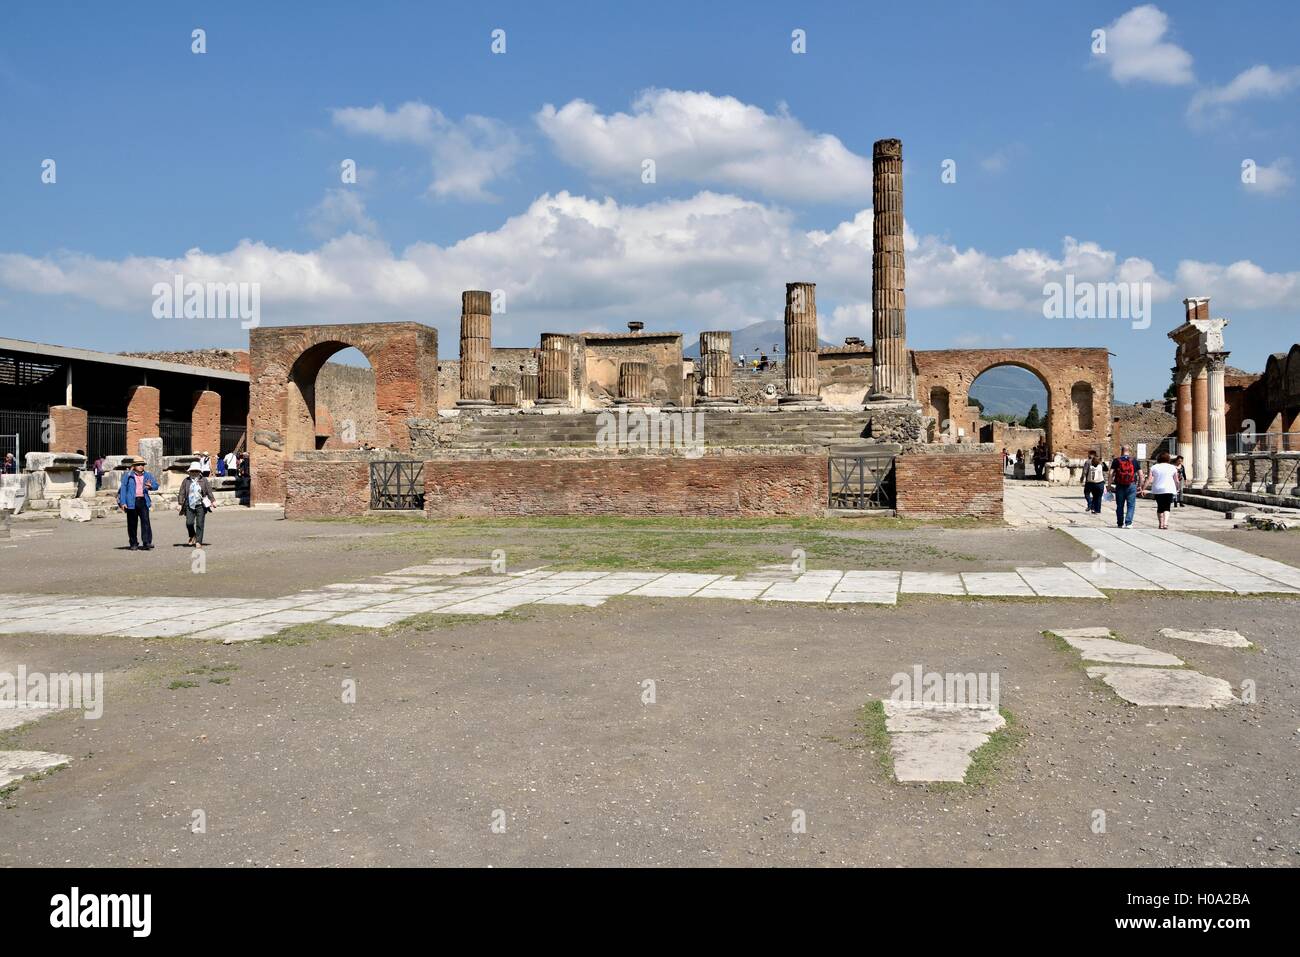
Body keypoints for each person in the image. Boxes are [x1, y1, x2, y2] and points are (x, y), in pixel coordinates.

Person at [117, 457, 158, 551]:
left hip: (143, 501)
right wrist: (123, 502)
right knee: (132, 524)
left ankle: (147, 542)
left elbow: (156, 485)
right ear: (134, 466)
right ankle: (133, 543)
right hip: (131, 501)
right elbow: (123, 489)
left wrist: (151, 486)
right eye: (138, 465)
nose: (141, 466)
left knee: (146, 522)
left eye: (142, 465)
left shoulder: (148, 475)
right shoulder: (128, 476)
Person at [177, 461, 214, 548]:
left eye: (196, 471)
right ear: (190, 471)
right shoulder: (186, 481)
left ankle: (198, 541)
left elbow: (209, 491)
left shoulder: (204, 480)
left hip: (201, 505)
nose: (194, 473)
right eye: (192, 471)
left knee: (200, 523)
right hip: (189, 505)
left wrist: (213, 500)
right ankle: (192, 535)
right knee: (189, 523)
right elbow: (181, 492)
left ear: (199, 471)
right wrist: (180, 503)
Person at [1142, 451, 1180, 530]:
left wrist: (1143, 488)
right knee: (1167, 507)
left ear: (1158, 458)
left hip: (1158, 489)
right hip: (1169, 489)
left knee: (1160, 507)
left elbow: (1149, 479)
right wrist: (1177, 488)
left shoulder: (1154, 467)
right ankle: (1165, 523)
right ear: (1168, 459)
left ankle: (1160, 523)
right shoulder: (1172, 467)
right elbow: (1176, 480)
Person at [1107, 444, 1141, 529]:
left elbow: (1111, 473)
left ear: (1121, 451)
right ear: (1129, 451)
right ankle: (1128, 523)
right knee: (1131, 505)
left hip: (1120, 485)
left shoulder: (1116, 460)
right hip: (1131, 485)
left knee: (1120, 505)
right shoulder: (1134, 461)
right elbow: (1141, 475)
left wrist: (1109, 485)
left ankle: (1120, 523)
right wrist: (1140, 486)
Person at [1081, 450, 1107, 514]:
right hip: (1100, 482)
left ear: (1091, 454)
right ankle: (1096, 510)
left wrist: (1082, 478)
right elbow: (1106, 469)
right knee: (1098, 497)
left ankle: (1090, 504)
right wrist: (1103, 462)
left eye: (1088, 454)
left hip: (1090, 482)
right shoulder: (1100, 462)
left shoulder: (1088, 462)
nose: (1088, 455)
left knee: (1087, 493)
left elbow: (1085, 471)